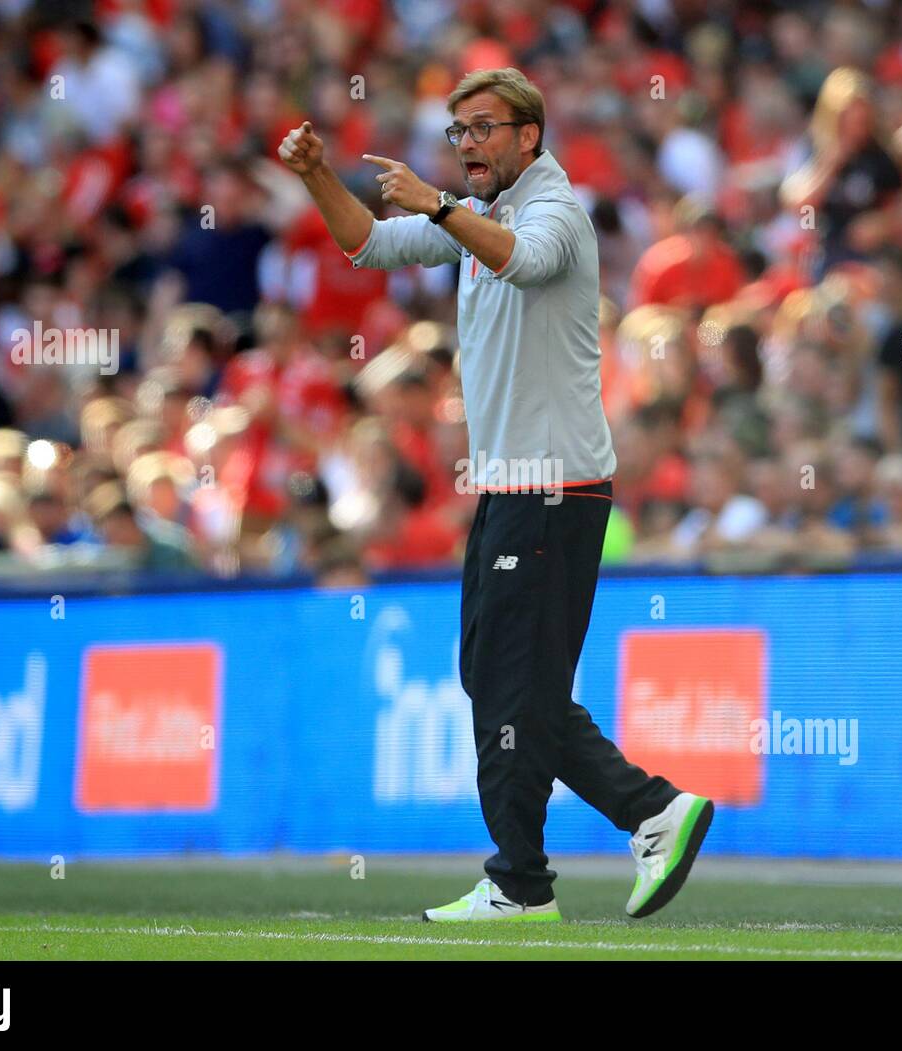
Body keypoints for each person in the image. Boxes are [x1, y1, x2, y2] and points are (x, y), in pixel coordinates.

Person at [278, 67, 714, 922]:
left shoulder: (552, 210)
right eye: (459, 131)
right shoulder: (487, 217)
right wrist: (316, 175)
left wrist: (440, 205)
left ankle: (523, 878)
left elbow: (528, 261)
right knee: (500, 681)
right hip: (516, 488)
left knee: (515, 687)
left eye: (484, 128)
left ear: (529, 135)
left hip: (553, 489)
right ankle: (649, 812)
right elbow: (366, 243)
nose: (469, 143)